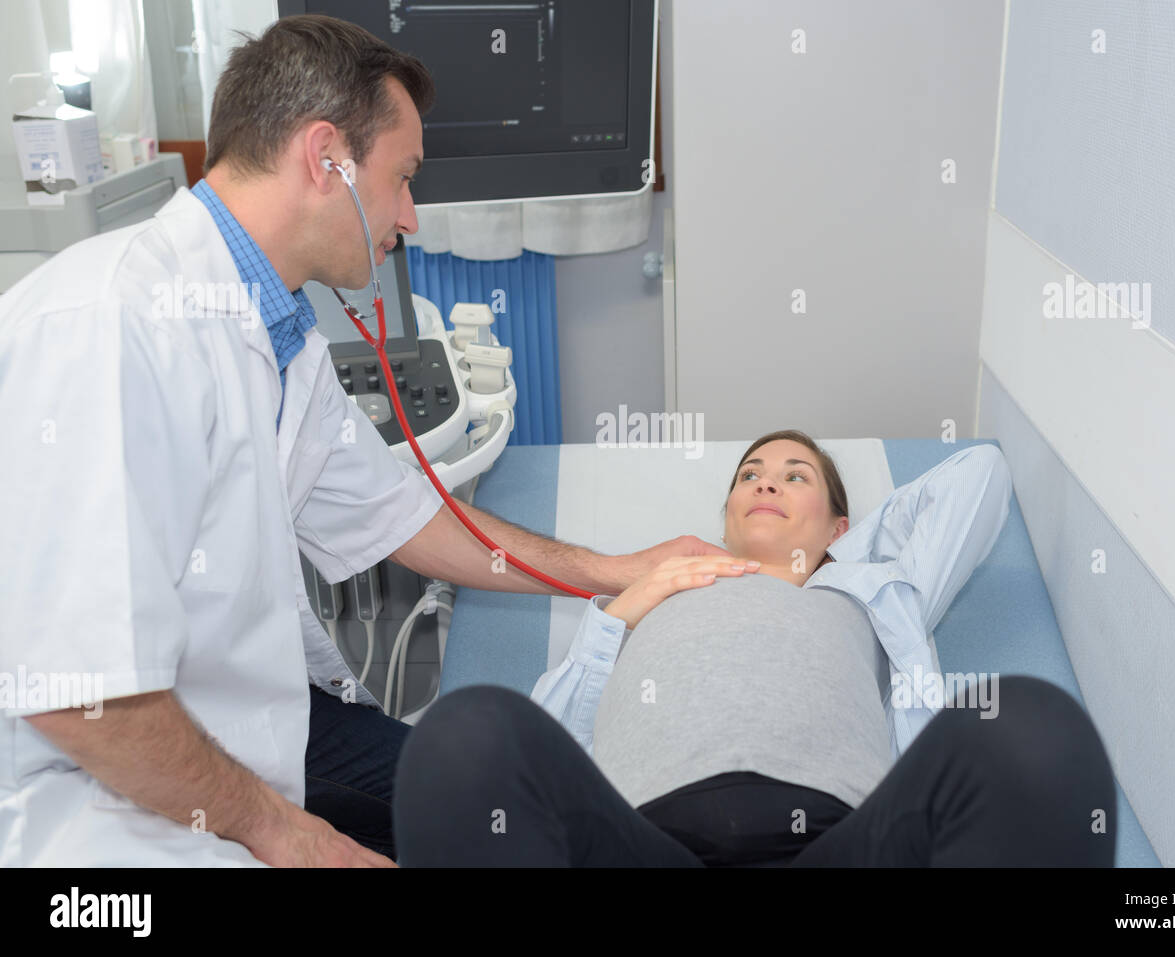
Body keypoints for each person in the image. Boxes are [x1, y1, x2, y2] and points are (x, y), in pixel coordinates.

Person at [0, 14, 724, 867]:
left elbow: (411, 519)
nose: (411, 216)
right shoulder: (110, 327)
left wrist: (618, 570)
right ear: (326, 159)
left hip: (250, 728)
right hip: (100, 794)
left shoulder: (282, 337)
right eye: (404, 178)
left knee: (509, 805)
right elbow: (81, 697)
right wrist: (289, 835)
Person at [393, 432, 1118, 866]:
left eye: (794, 475)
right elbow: (551, 743)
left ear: (839, 524)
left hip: (838, 842)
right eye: (750, 474)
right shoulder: (648, 593)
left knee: (1034, 734)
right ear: (726, 511)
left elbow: (980, 475)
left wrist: (828, 556)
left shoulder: (868, 588)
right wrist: (621, 610)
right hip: (644, 841)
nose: (766, 478)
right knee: (462, 739)